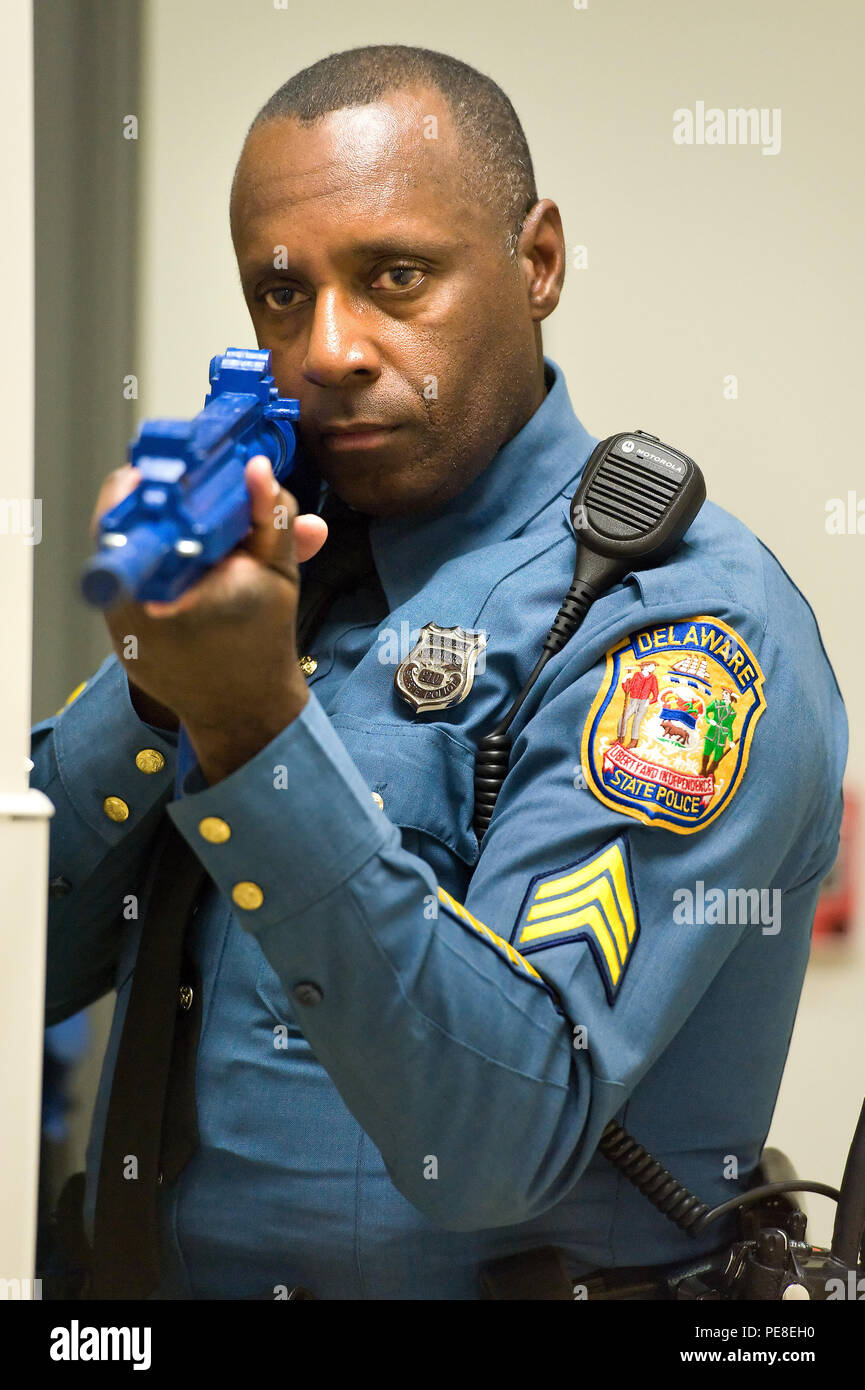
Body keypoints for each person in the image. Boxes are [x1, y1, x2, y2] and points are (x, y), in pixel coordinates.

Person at [33, 45, 847, 1300]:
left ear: (538, 262)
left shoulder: (679, 627)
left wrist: (250, 727)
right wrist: (154, 692)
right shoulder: (279, 563)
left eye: (395, 277)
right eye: (280, 293)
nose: (331, 348)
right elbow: (21, 959)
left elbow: (494, 1140)